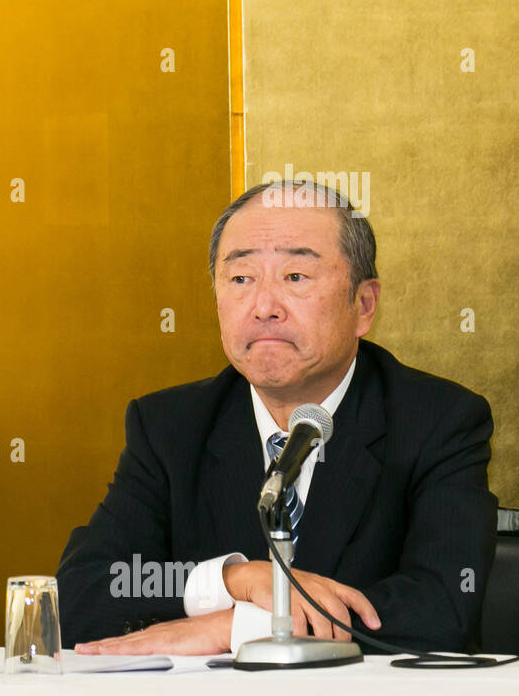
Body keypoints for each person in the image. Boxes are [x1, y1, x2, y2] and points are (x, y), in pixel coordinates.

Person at [57, 180, 496, 656]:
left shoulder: (438, 420)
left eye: (295, 277)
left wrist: (236, 629)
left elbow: (446, 606)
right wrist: (233, 579)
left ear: (363, 305)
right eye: (241, 279)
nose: (264, 307)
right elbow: (82, 594)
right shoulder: (170, 426)